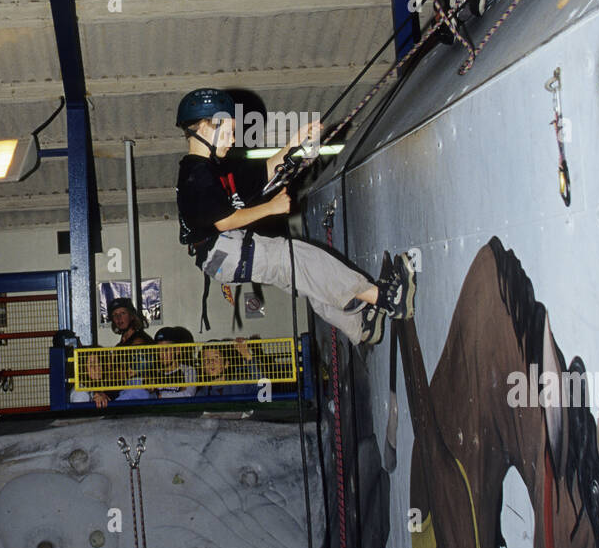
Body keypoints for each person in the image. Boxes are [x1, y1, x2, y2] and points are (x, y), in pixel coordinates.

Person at [175, 89, 415, 347]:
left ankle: (360, 327)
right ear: (205, 127)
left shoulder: (215, 170)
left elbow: (266, 171)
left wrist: (295, 142)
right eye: (229, 131)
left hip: (223, 252)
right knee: (295, 257)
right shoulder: (195, 174)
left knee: (304, 278)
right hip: (221, 249)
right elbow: (225, 221)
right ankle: (387, 298)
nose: (233, 139)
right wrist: (271, 207)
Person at [152, 326, 197, 399]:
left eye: (166, 350)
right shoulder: (154, 372)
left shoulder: (188, 370)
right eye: (158, 350)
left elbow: (188, 394)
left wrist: (160, 396)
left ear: (177, 350)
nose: (161, 354)